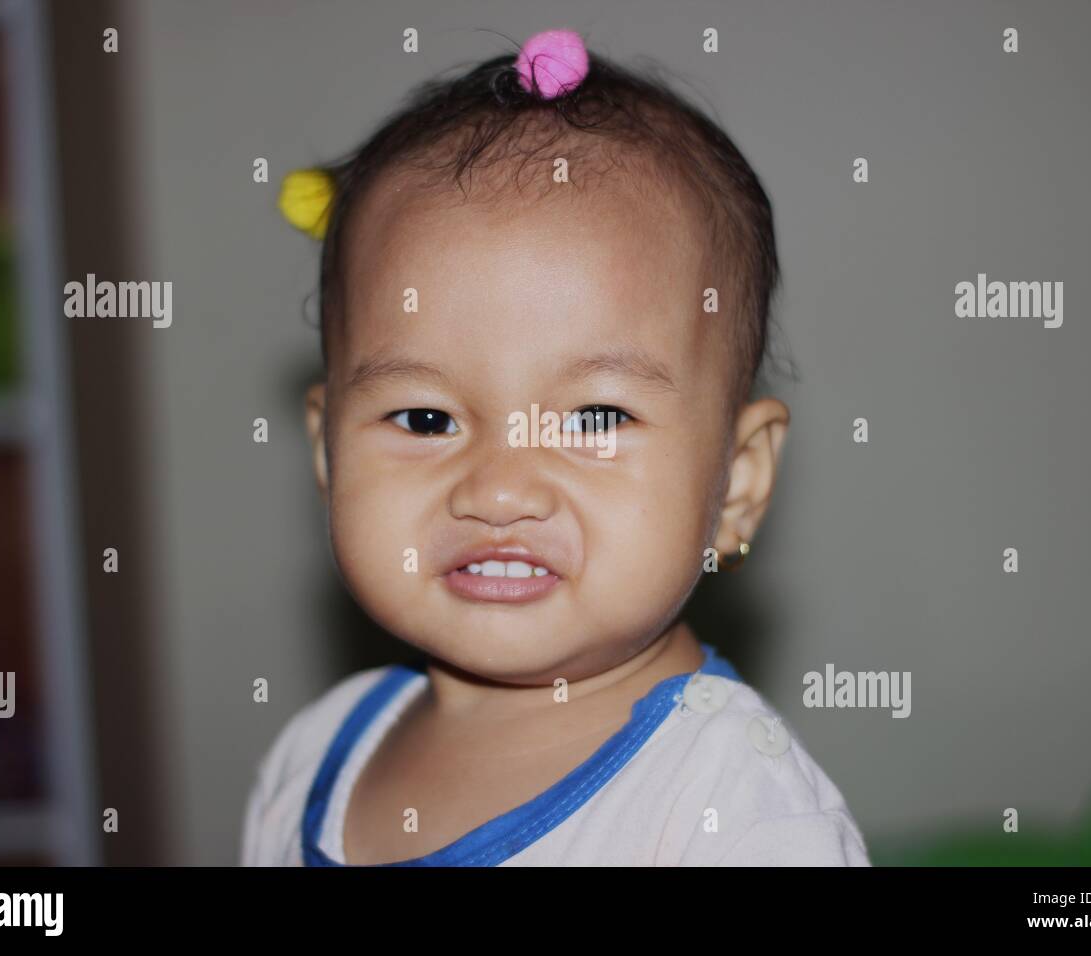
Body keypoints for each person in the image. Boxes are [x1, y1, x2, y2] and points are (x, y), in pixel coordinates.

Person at [242, 28, 869, 866]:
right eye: (427, 420)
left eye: (595, 419)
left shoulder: (731, 814)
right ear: (328, 454)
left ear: (738, 484)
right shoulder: (313, 758)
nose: (499, 492)